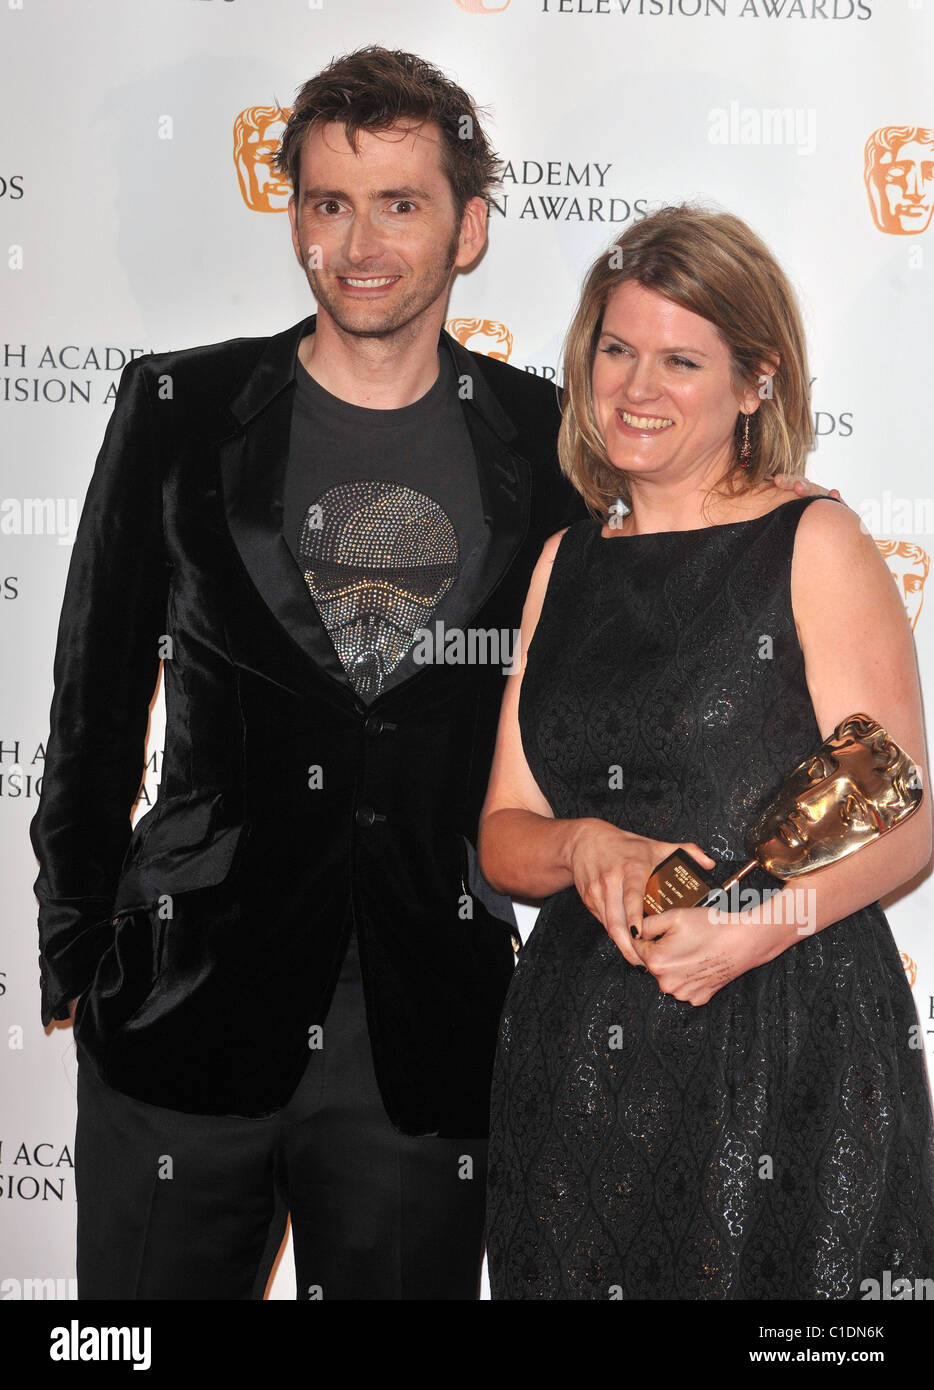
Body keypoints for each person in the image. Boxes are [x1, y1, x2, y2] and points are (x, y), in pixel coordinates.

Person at [29, 49, 827, 1301]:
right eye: (329, 202)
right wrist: (78, 949)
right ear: (292, 213)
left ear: (470, 227)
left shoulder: (550, 443)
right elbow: (91, 700)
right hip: (184, 1015)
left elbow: (659, 633)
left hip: (426, 1033)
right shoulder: (179, 407)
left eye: (400, 203)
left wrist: (794, 527)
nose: (360, 244)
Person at [479, 204, 934, 1300]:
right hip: (579, 1055)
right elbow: (502, 837)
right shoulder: (562, 563)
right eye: (617, 350)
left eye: (681, 359)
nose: (637, 388)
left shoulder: (813, 540)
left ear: (754, 382)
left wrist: (750, 927)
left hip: (795, 1041)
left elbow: (908, 813)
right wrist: (580, 843)